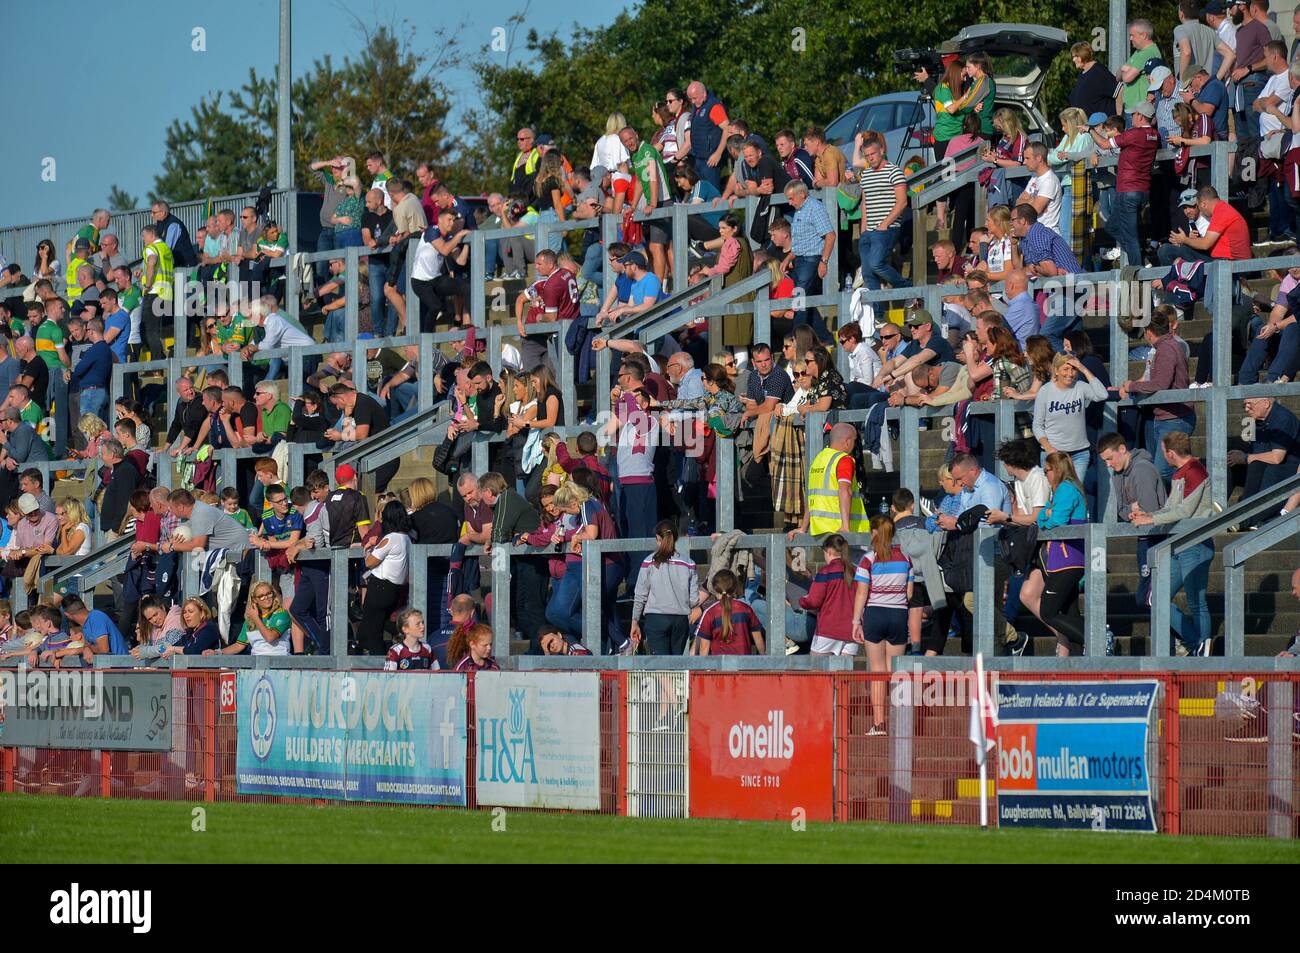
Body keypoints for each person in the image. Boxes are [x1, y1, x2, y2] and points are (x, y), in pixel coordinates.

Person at [1131, 431, 1216, 655]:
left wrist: (1151, 518)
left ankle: (1201, 649)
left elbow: (1185, 511)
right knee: (1157, 597)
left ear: (1170, 452)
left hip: (1195, 544)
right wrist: (1146, 514)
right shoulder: (1180, 473)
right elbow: (1171, 509)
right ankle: (1196, 641)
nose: (1163, 457)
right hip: (1179, 545)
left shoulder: (1196, 471)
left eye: (1163, 453)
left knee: (1196, 602)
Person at [851, 515, 913, 733]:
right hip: (898, 614)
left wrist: (855, 621)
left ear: (874, 533)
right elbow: (909, 592)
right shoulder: (906, 558)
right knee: (895, 670)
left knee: (877, 670)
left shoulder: (868, 559)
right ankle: (899, 722)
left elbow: (861, 592)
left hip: (875, 614)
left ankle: (879, 723)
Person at [1026, 452, 1090, 657]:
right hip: (1061, 560)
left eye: (1047, 471)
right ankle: (1081, 658)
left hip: (1067, 559)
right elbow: (1041, 517)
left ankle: (1096, 638)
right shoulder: (1058, 491)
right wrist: (1046, 515)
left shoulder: (1066, 489)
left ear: (1058, 470)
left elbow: (1057, 521)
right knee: (1070, 612)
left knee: (1048, 611)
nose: (1045, 475)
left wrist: (1046, 516)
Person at [1098, 432, 1168, 611]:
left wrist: (1136, 510)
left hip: (1157, 537)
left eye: (1110, 458)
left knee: (1148, 599)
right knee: (1148, 599)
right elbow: (1121, 510)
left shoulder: (1142, 469)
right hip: (1142, 538)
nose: (1108, 464)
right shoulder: (1117, 474)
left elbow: (1149, 509)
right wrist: (1132, 510)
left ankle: (1186, 636)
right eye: (1105, 461)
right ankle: (1167, 638)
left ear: (1122, 449)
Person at [1032, 353, 1109, 478]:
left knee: (1076, 492)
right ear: (1056, 371)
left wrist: (1083, 369)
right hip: (1055, 453)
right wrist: (1048, 448)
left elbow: (1102, 395)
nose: (1070, 373)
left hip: (1080, 452)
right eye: (1066, 369)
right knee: (1056, 493)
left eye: (1073, 369)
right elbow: (1037, 425)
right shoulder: (1045, 391)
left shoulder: (1080, 387)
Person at [630, 520, 700, 655]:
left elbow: (640, 596)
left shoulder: (649, 562)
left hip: (656, 618)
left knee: (662, 668)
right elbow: (694, 599)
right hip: (680, 620)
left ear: (657, 539)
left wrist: (635, 621)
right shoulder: (689, 563)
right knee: (677, 668)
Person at [851, 135, 909, 291]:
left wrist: (885, 224)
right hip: (868, 230)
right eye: (867, 155)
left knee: (876, 264)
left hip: (887, 228)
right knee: (867, 272)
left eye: (873, 154)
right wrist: (863, 228)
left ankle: (906, 287)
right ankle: (877, 313)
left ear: (881, 151)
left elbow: (902, 201)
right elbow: (865, 202)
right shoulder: (866, 175)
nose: (870, 158)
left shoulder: (894, 171)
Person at [356, 499, 411, 655]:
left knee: (372, 632)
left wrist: (368, 548)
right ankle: (403, 633)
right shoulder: (406, 538)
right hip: (393, 589)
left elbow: (369, 562)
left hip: (379, 588)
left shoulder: (391, 538)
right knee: (377, 624)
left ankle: (379, 663)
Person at [799, 533, 858, 656]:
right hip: (851, 632)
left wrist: (802, 600)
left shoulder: (825, 571)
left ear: (830, 551)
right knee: (845, 675)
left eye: (824, 552)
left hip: (828, 630)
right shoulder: (856, 571)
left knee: (818, 674)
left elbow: (814, 601)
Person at [695, 568, 763, 656]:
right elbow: (758, 639)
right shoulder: (746, 609)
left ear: (715, 589)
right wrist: (763, 657)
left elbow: (704, 647)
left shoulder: (709, 613)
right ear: (735, 588)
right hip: (744, 665)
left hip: (719, 666)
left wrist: (704, 667)